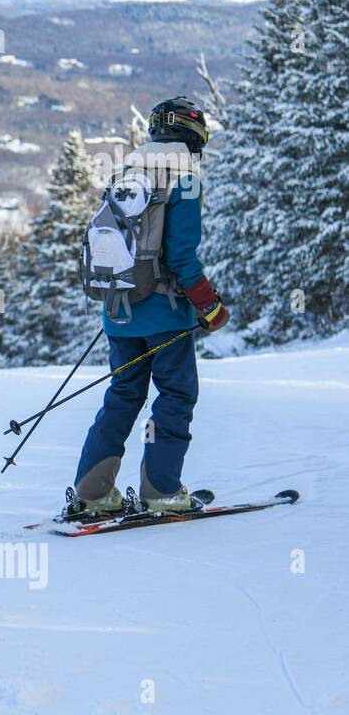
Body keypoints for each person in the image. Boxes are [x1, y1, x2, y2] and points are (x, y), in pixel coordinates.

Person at [74, 97, 230, 514]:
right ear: (193, 138)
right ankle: (161, 491)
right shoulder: (186, 179)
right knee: (176, 395)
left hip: (118, 309)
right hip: (164, 315)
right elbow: (182, 259)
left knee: (122, 395)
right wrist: (211, 308)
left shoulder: (126, 173)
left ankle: (93, 494)